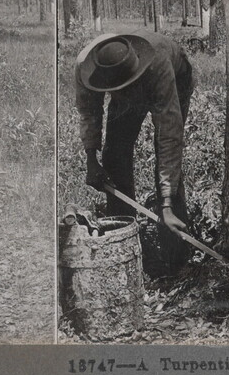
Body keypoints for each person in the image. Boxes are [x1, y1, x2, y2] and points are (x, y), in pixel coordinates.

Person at [75, 31, 194, 276]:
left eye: (125, 89)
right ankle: (123, 243)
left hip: (174, 77)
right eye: (117, 91)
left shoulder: (158, 65)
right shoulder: (85, 69)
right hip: (124, 78)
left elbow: (169, 137)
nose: (125, 95)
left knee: (166, 162)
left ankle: (176, 257)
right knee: (114, 157)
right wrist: (91, 160)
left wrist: (166, 203)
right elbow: (89, 111)